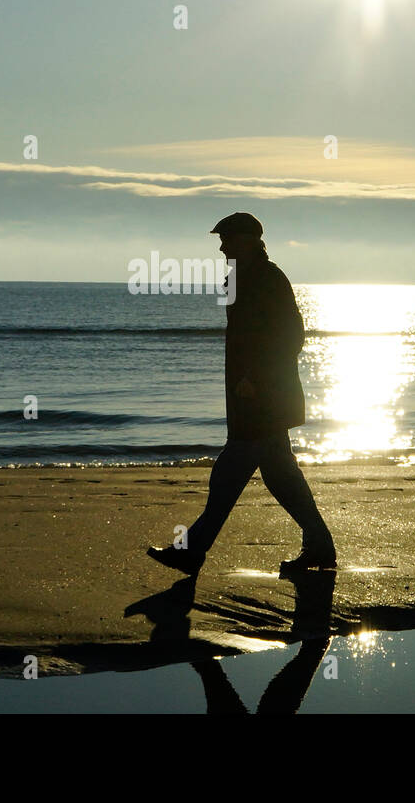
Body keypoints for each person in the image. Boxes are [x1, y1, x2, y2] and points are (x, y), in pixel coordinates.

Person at [148, 212, 336, 576]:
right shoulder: (244, 278)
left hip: (262, 400)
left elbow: (289, 335)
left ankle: (192, 551)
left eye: (228, 239)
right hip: (253, 399)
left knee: (229, 476)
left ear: (249, 240)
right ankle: (320, 545)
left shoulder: (267, 278)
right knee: (279, 477)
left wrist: (256, 378)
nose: (221, 247)